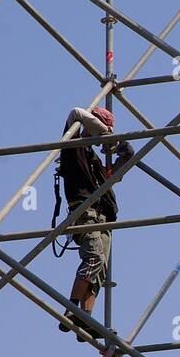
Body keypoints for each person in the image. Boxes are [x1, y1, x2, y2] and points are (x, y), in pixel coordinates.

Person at [56, 106, 134, 340]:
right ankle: (70, 310)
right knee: (94, 258)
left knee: (100, 270)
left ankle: (85, 317)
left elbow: (116, 174)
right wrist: (105, 134)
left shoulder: (93, 159)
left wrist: (123, 148)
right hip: (84, 211)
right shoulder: (73, 147)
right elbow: (75, 113)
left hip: (104, 216)